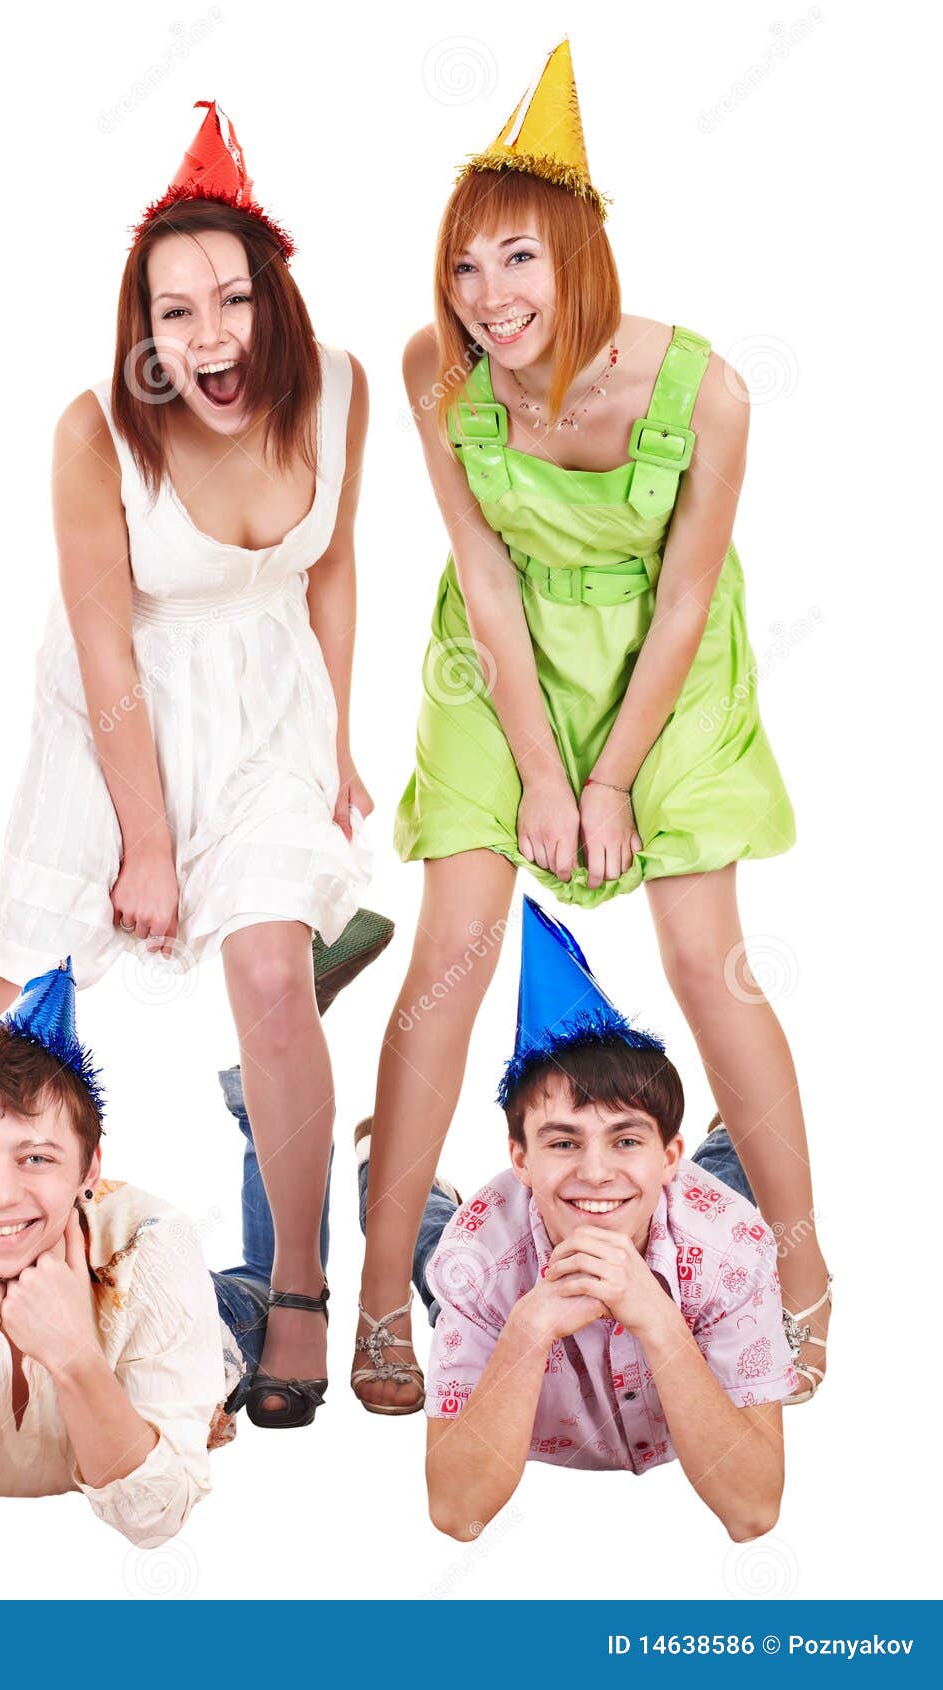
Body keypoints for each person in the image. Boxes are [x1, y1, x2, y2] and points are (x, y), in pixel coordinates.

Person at [0, 99, 379, 1436]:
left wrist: (339, 739)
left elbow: (335, 563)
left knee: (272, 971)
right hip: (121, 717)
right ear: (145, 327)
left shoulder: (340, 387)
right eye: (176, 313)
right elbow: (107, 648)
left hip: (267, 710)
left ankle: (298, 1286)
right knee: (5, 1014)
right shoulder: (94, 432)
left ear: (274, 297)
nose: (210, 335)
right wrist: (148, 840)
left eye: (232, 299)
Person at [355, 39, 829, 1414]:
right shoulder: (435, 371)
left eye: (518, 262)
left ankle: (801, 1274)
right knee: (447, 957)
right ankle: (384, 1289)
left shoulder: (705, 392)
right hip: (497, 668)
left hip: (665, 672)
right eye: (463, 266)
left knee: (704, 959)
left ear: (583, 259)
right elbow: (485, 576)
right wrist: (542, 769)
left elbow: (686, 599)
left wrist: (611, 776)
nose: (486, 298)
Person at [0, 957, 458, 1551]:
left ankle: (274, 1064)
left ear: (89, 1172)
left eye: (37, 1157)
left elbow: (153, 1517)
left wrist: (76, 1357)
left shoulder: (150, 1245)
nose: (0, 1194)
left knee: (271, 1286)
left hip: (189, 1313)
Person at [421, 898, 795, 1543]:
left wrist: (656, 1316)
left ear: (667, 1153)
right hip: (497, 1241)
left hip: (691, 1217)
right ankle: (394, 1169)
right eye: (563, 1142)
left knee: (732, 1182)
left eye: (625, 1139)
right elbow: (458, 1514)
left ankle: (718, 1145)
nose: (594, 1170)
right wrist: (527, 1329)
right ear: (521, 1159)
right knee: (426, 1242)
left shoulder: (734, 1246)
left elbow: (752, 1511)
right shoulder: (474, 1255)